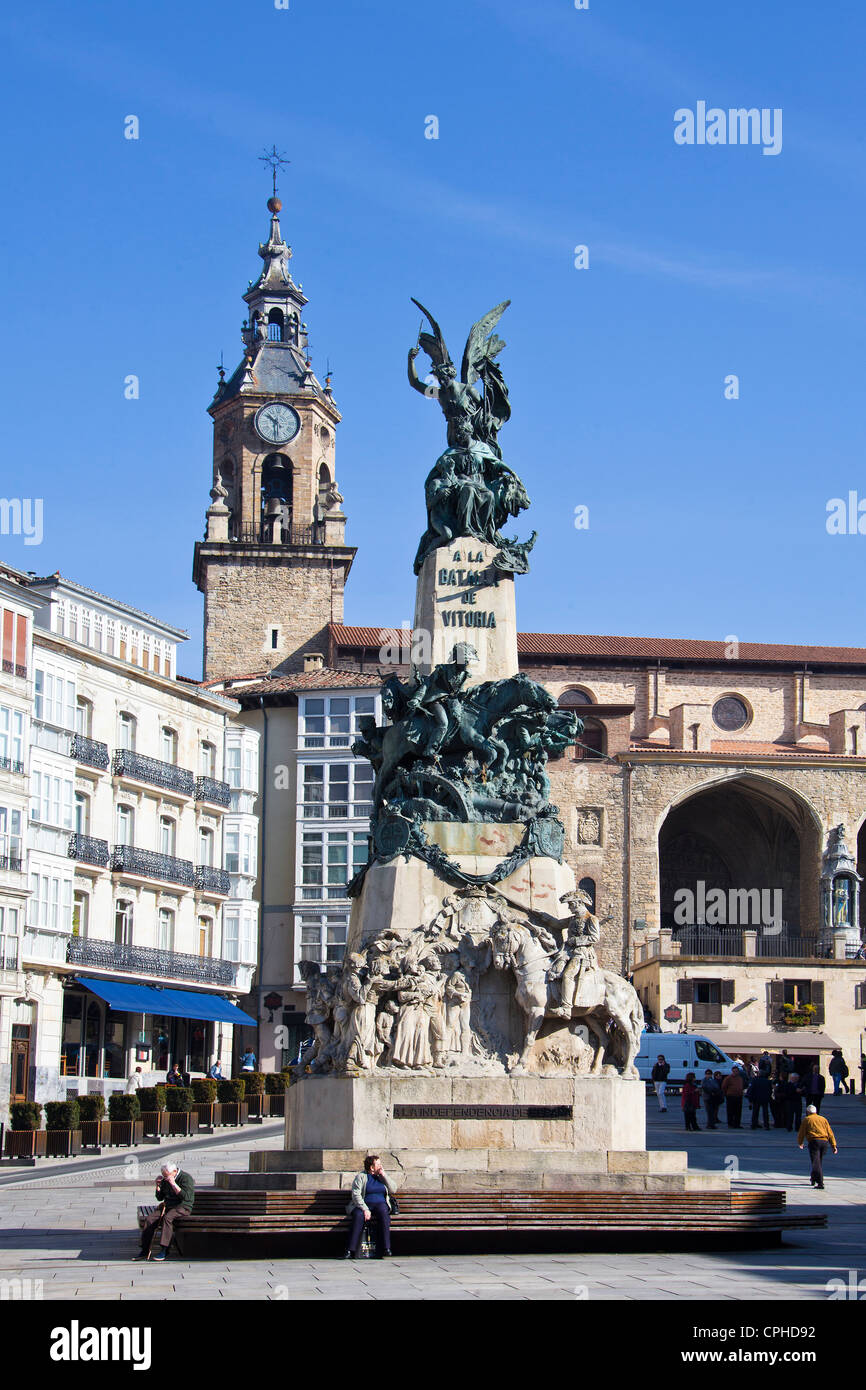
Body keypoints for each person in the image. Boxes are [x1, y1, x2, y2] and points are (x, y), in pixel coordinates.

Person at [135, 1161, 195, 1261]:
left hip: (183, 1206)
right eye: (164, 1176)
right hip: (167, 1206)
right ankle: (145, 1249)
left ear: (175, 1171)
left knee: (168, 1218)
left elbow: (186, 1198)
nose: (165, 1178)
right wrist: (158, 1186)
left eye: (167, 1176)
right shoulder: (166, 1179)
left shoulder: (186, 1178)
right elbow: (160, 1197)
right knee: (150, 1219)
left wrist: (173, 1184)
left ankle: (164, 1249)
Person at [344, 1154, 397, 1259]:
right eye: (378, 1164)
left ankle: (386, 1248)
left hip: (380, 1204)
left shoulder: (381, 1177)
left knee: (384, 1213)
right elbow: (356, 1195)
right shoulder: (361, 1177)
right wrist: (365, 1209)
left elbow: (393, 1189)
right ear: (371, 1167)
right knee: (358, 1216)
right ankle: (350, 1250)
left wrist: (384, 1175)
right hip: (363, 1205)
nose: (381, 1166)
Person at [797, 1105, 838, 1190]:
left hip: (814, 1141)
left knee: (816, 1162)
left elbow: (802, 1132)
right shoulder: (823, 1119)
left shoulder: (807, 1119)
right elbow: (830, 1133)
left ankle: (820, 1183)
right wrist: (833, 1145)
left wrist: (800, 1142)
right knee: (818, 1162)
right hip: (824, 1142)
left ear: (808, 1112)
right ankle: (813, 1178)